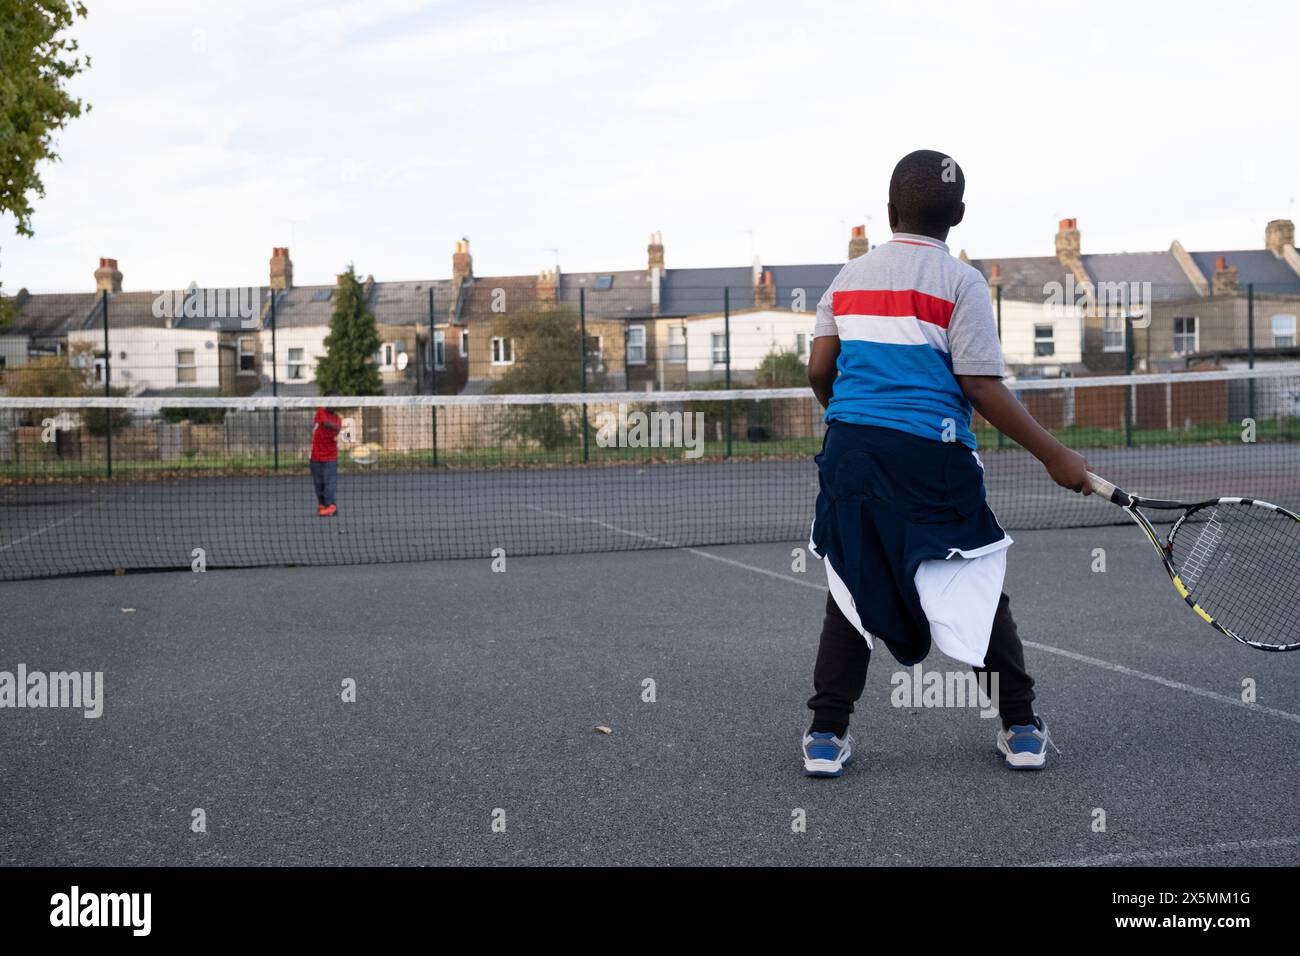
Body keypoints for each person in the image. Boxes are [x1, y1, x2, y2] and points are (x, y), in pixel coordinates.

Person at [802, 149, 1090, 777]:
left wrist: (851, 420)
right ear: (958, 216)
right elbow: (982, 387)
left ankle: (826, 737)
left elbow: (820, 371)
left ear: (889, 209)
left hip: (850, 455)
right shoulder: (961, 283)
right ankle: (1020, 727)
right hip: (930, 456)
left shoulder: (845, 281)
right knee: (975, 581)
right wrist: (1056, 456)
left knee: (852, 583)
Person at [310, 398, 342, 517]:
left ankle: (331, 506)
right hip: (316, 456)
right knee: (319, 483)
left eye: (336, 402)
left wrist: (343, 432)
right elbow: (325, 423)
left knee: (330, 482)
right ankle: (322, 504)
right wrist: (339, 429)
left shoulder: (338, 419)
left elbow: (338, 433)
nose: (333, 404)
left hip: (331, 456)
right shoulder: (321, 412)